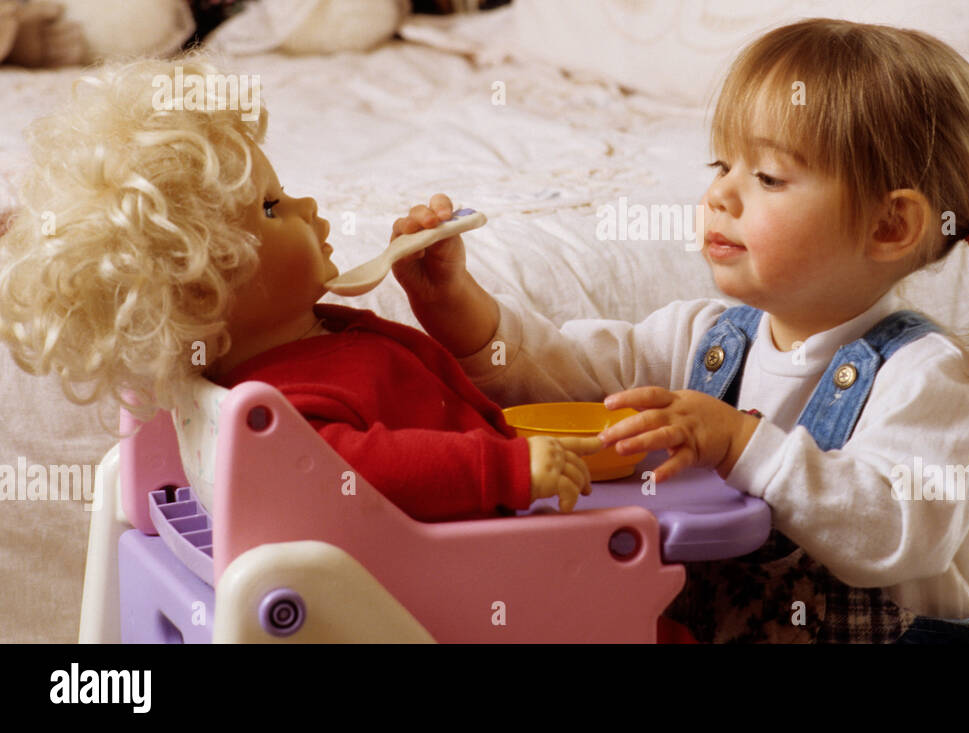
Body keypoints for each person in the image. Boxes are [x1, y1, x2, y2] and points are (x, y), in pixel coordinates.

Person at [390, 18, 969, 642]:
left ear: (890, 225)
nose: (720, 194)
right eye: (721, 166)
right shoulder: (705, 337)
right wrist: (457, 305)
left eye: (769, 176)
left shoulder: (927, 378)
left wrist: (741, 441)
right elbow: (560, 373)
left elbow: (894, 533)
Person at [0, 55, 598, 522]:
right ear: (203, 290)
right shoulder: (279, 405)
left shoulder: (315, 340)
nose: (307, 205)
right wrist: (503, 468)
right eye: (270, 207)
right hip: (461, 584)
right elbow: (362, 469)